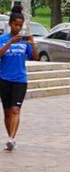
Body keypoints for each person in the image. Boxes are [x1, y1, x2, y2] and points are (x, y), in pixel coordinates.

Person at [0, 11, 35, 151]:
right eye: (15, 25)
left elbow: (35, 57)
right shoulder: (3, 38)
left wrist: (33, 44)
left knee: (15, 110)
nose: (18, 28)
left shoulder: (24, 41)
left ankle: (12, 138)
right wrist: (10, 42)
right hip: (4, 79)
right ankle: (10, 138)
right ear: (10, 24)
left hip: (20, 80)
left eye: (20, 25)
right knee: (7, 112)